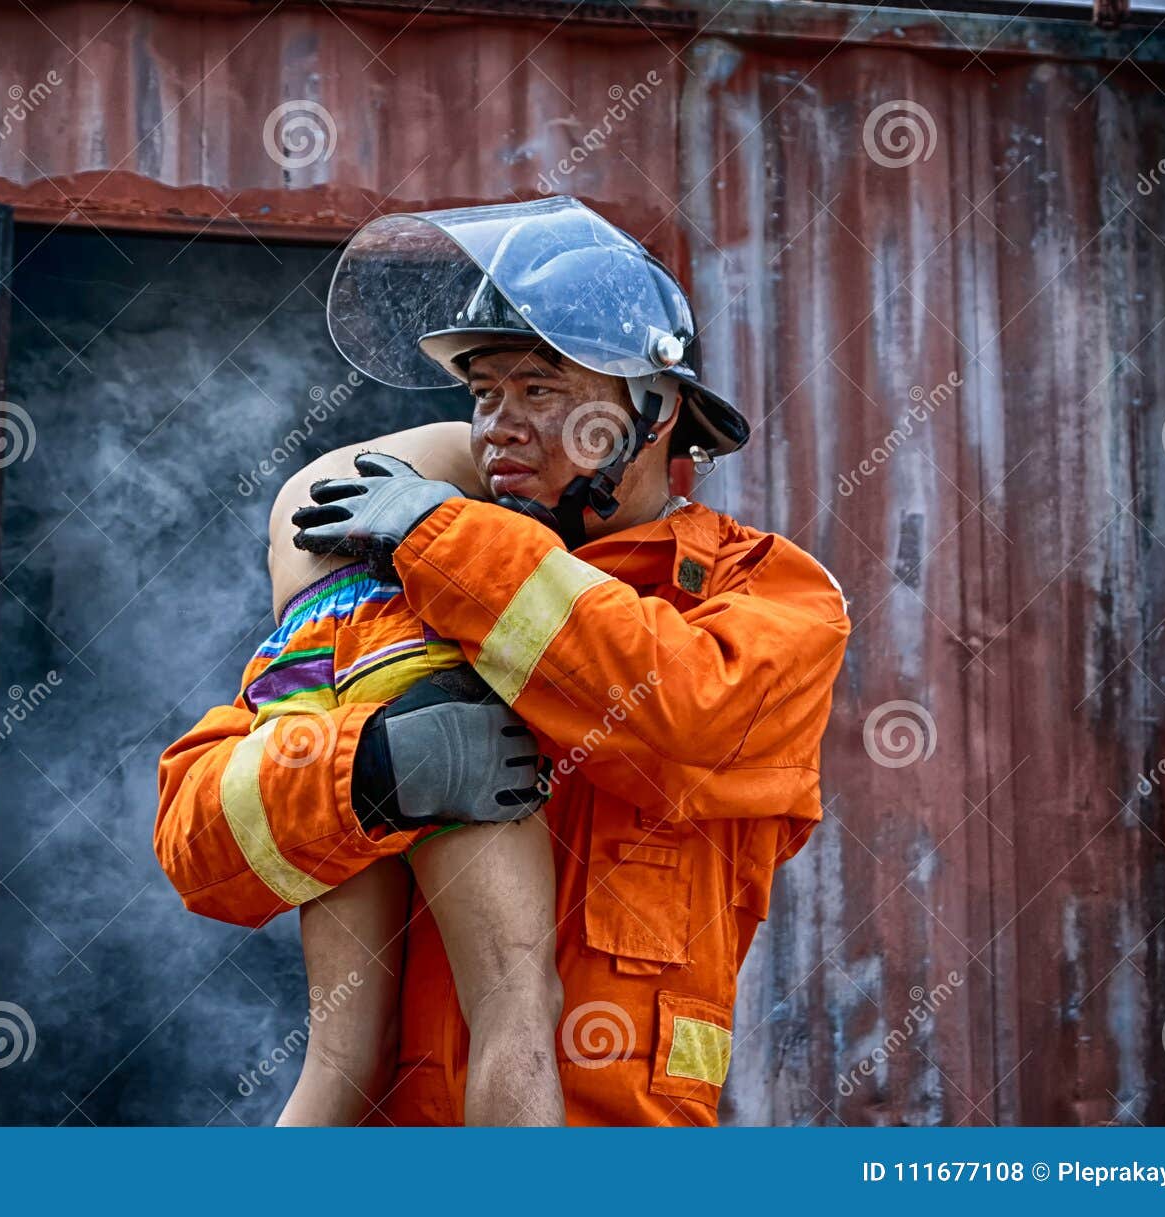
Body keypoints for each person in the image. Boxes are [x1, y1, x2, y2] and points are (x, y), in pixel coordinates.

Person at [154, 197, 851, 1125]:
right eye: (485, 394)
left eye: (542, 389)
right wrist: (366, 775)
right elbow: (202, 852)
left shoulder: (764, 592)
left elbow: (683, 713)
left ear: (655, 409)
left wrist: (447, 540)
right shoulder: (403, 600)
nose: (500, 426)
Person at [255, 422, 564, 1126]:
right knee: (514, 1002)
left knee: (341, 1052)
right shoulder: (517, 437)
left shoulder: (389, 449)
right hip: (400, 627)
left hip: (297, 668)